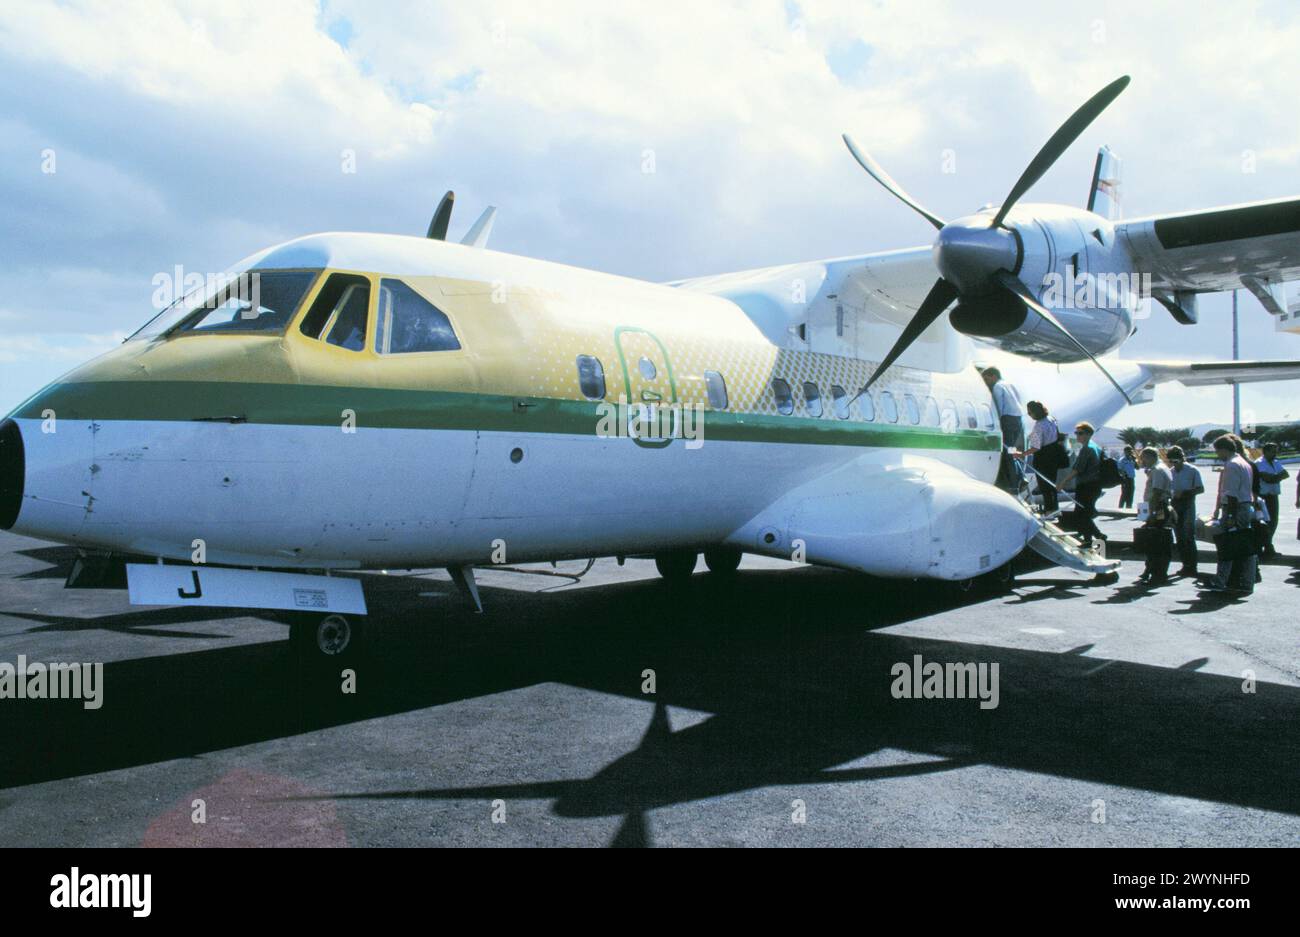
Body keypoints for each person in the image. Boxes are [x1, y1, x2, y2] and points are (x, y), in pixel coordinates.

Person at [1205, 436, 1258, 595]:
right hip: (1245, 507)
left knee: (1227, 546)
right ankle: (1247, 582)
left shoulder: (1232, 465)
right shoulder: (1244, 462)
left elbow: (1232, 495)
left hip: (1235, 509)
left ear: (1223, 449)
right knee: (1245, 548)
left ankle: (1221, 581)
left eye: (1217, 451)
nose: (1217, 455)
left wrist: (1230, 517)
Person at [1055, 421, 1107, 549]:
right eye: (1076, 433)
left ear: (1089, 434)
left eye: (1080, 433)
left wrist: (1063, 482)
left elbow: (1077, 469)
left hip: (1087, 486)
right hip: (1094, 485)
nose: (1077, 436)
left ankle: (1099, 536)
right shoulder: (1095, 447)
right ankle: (1089, 540)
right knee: (1084, 514)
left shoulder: (1087, 448)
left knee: (1081, 514)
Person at [1019, 400, 1067, 513]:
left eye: (1030, 413)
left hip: (1043, 457)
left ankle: (1049, 509)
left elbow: (1036, 447)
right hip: (1054, 454)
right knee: (1052, 484)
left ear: (1035, 412)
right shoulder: (1051, 419)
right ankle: (1055, 508)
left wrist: (1022, 454)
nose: (1029, 415)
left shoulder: (1038, 426)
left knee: (1044, 485)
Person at [981, 367, 1025, 490]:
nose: (986, 382)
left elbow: (998, 407)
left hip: (1007, 420)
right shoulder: (1010, 384)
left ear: (993, 376)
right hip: (1018, 419)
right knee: (1010, 449)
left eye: (987, 379)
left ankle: (1013, 482)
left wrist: (996, 423)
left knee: (1006, 452)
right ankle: (1020, 476)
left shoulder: (997, 387)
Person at [1166, 445, 1205, 577]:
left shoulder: (1192, 470)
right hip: (1175, 504)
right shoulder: (1170, 472)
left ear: (1182, 459)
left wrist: (1184, 493)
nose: (1174, 464)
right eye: (1171, 462)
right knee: (1179, 536)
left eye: (1176, 461)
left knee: (1188, 535)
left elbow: (1200, 488)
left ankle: (1192, 566)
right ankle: (1185, 564)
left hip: (1188, 503)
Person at [1137, 446, 1174, 583]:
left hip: (1158, 508)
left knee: (1155, 540)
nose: (1142, 461)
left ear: (1150, 456)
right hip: (1157, 507)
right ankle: (1151, 570)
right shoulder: (1160, 468)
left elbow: (1157, 493)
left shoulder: (1158, 470)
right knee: (1156, 539)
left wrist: (1151, 513)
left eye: (1143, 458)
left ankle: (1157, 573)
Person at [1254, 443, 1289, 558]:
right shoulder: (1259, 463)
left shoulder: (1275, 462)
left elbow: (1286, 474)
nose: (1275, 453)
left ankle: (1268, 545)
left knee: (1273, 522)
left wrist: (1275, 477)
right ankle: (1265, 547)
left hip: (1273, 496)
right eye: (1273, 451)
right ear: (1266, 451)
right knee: (1263, 523)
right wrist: (1277, 477)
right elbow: (1268, 479)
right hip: (1263, 497)